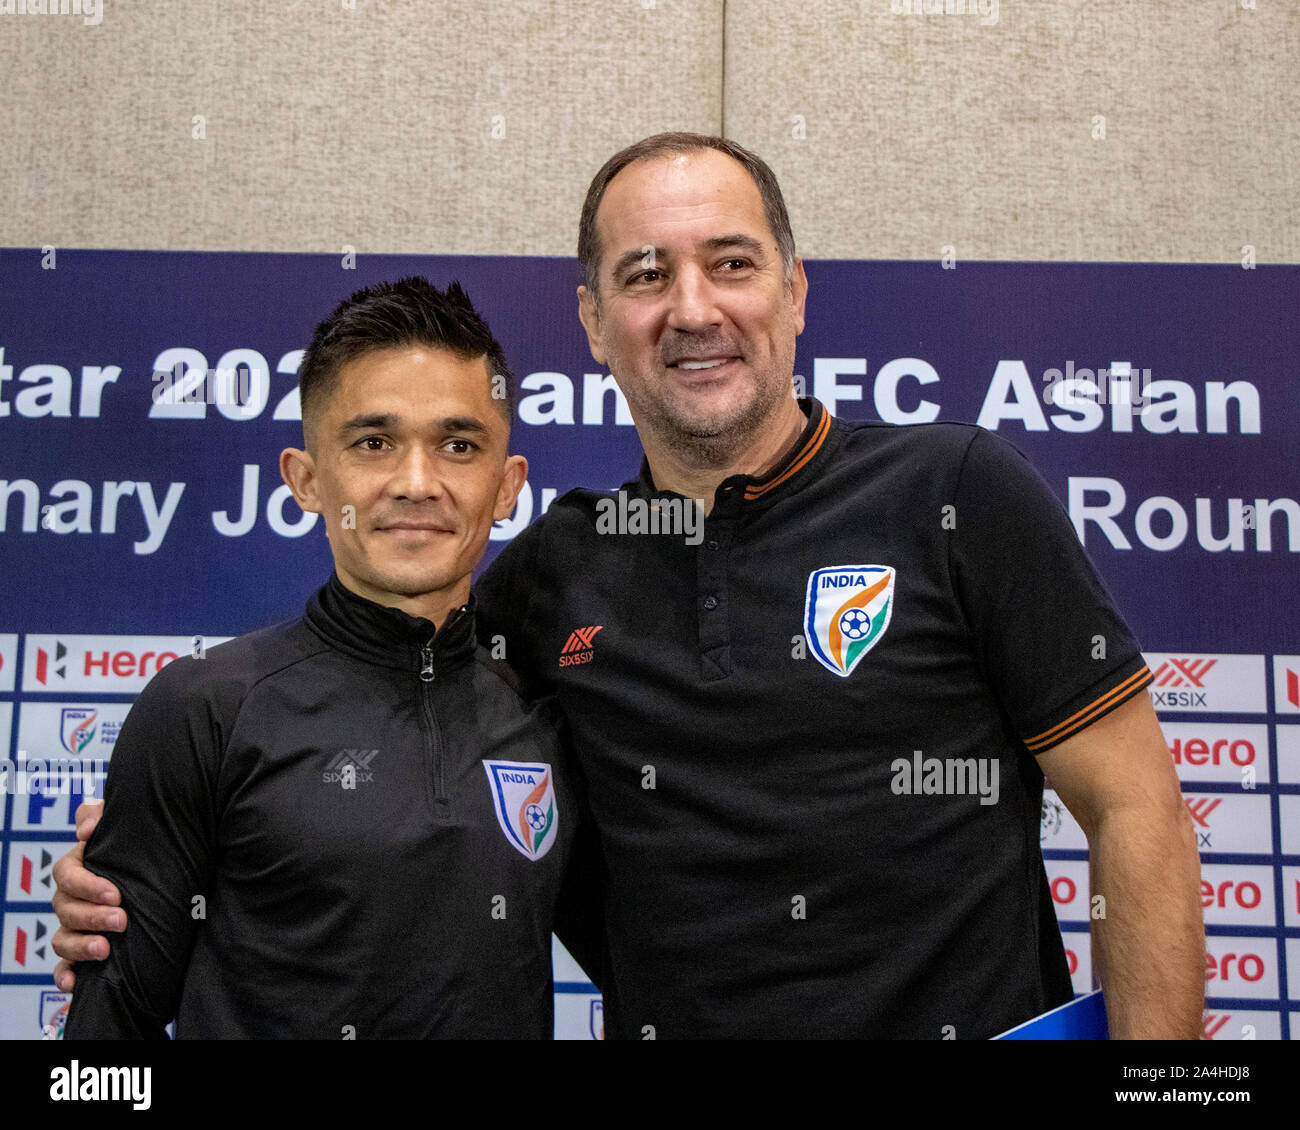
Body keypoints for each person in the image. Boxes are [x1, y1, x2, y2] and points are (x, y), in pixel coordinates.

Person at [55, 134, 1204, 1040]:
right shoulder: (553, 571)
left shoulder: (957, 490)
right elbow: (381, 695)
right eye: (645, 274)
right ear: (595, 324)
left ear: (797, 291)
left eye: (731, 262)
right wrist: (150, 851)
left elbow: (1133, 808)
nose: (692, 307)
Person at [58, 277, 598, 1038]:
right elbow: (98, 1056)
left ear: (507, 487)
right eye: (374, 443)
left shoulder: (552, 714)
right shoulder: (202, 708)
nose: (417, 484)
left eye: (459, 445)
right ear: (306, 479)